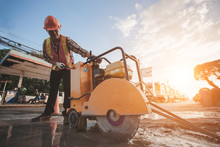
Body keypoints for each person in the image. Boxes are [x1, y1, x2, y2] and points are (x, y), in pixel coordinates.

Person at [31, 15, 93, 123]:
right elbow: (46, 57)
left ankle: (67, 114)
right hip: (56, 68)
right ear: (47, 31)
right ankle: (47, 113)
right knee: (52, 90)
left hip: (68, 68)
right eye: (51, 32)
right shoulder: (45, 43)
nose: (54, 33)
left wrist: (90, 55)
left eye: (55, 31)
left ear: (59, 28)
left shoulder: (66, 40)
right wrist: (56, 63)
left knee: (68, 90)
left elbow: (79, 49)